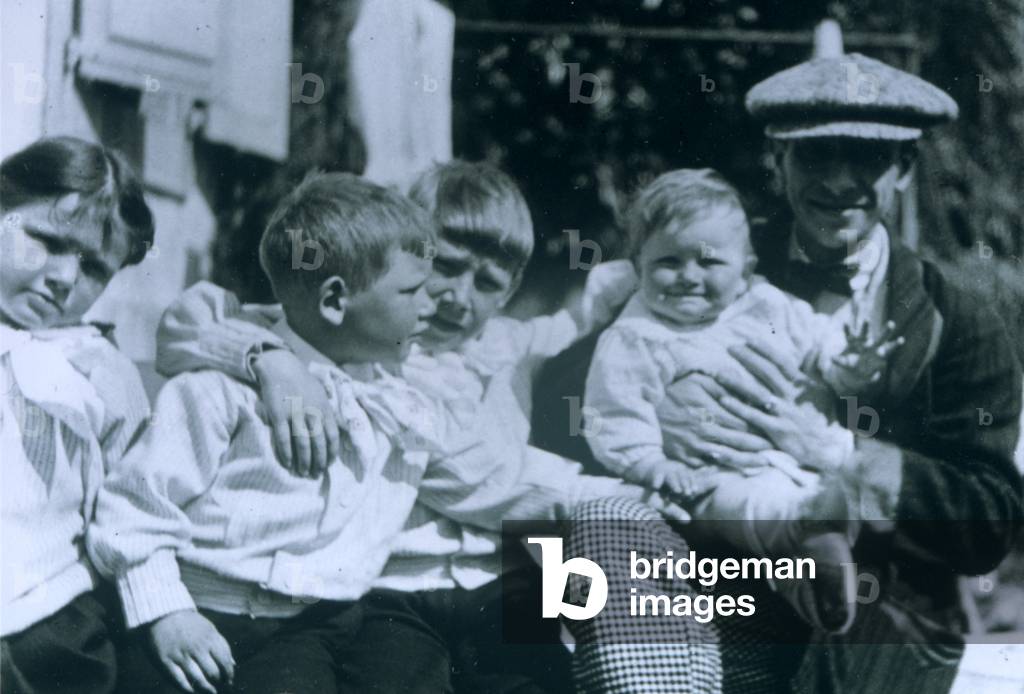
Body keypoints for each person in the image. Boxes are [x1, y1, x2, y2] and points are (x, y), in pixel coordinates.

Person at [533, 51, 1023, 693]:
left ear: (903, 169)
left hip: (878, 597)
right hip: (706, 562)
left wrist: (838, 451)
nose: (840, 181)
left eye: (868, 157)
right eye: (817, 156)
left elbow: (989, 522)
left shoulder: (954, 314)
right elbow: (570, 396)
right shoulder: (705, 253)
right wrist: (667, 421)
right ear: (778, 159)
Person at [153, 160, 719, 693]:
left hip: (502, 575)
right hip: (392, 588)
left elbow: (593, 306)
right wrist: (265, 357)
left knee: (553, 670)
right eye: (444, 267)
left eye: (489, 282)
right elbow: (193, 318)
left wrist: (675, 243)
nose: (457, 297)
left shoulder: (507, 347)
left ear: (512, 289)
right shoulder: (363, 350)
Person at [584, 167, 904, 634]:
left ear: (745, 270)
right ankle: (814, 552)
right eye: (667, 263)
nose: (688, 277)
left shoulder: (766, 306)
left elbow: (817, 339)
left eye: (709, 262)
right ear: (638, 268)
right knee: (753, 507)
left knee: (825, 510)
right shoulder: (636, 338)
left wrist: (845, 365)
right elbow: (613, 416)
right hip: (710, 479)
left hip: (802, 469)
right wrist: (655, 465)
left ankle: (820, 587)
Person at [0, 136, 155, 694]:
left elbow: (138, 504)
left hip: (45, 626)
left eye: (93, 266)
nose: (65, 277)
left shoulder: (98, 371)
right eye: (46, 241)